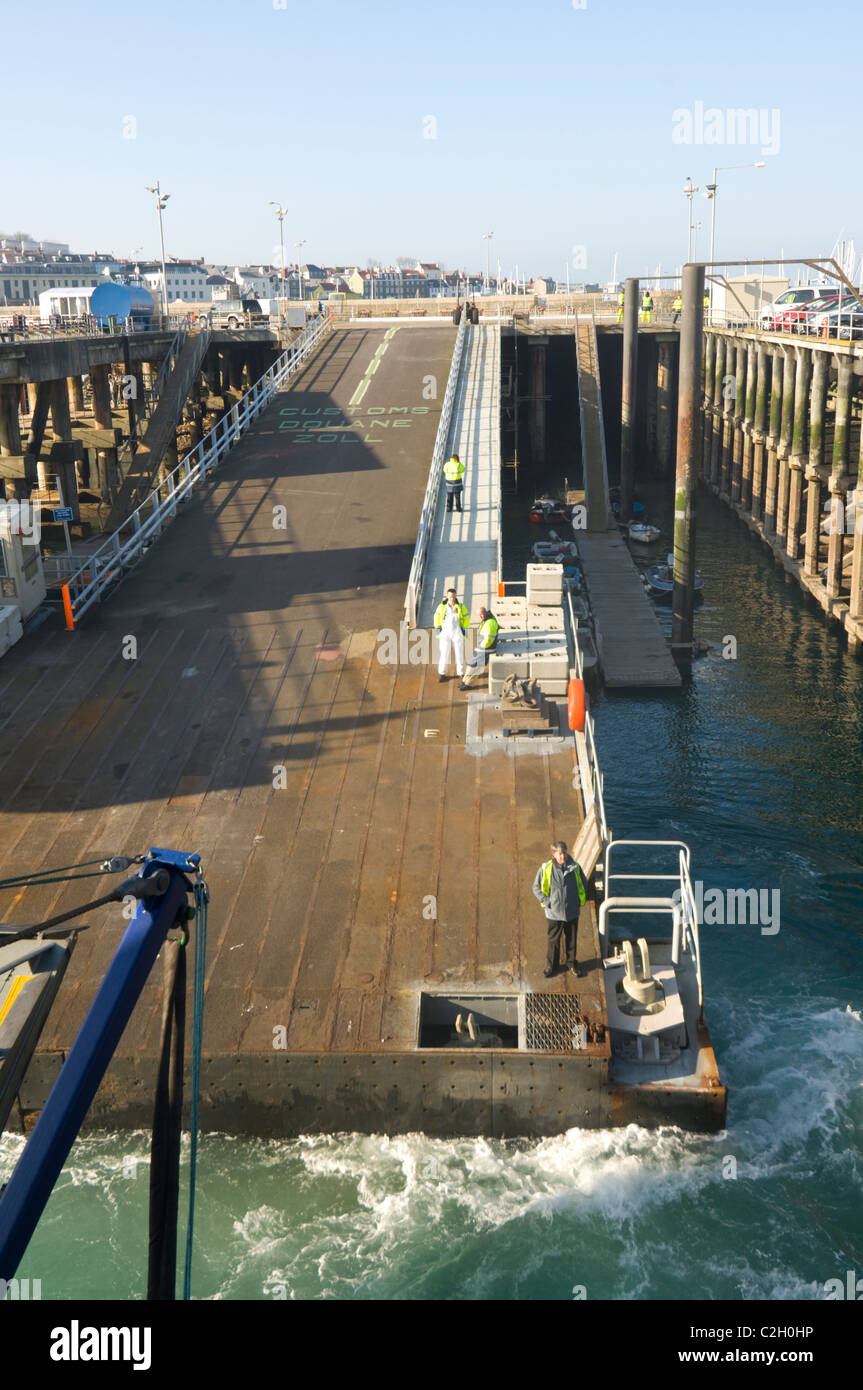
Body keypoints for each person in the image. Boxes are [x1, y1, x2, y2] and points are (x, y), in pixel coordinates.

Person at [532, 841, 587, 977]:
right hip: (554, 913)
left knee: (572, 940)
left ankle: (571, 963)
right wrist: (547, 901)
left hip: (572, 911)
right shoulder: (545, 869)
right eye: (560, 854)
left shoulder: (575, 868)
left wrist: (577, 901)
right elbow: (536, 887)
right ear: (554, 854)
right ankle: (551, 966)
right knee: (553, 941)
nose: (563, 856)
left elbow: (583, 884)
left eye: (564, 853)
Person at [433, 588, 470, 681]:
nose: (452, 599)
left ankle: (461, 673)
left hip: (457, 633)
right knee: (444, 654)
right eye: (450, 597)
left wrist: (465, 633)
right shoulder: (441, 607)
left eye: (453, 597)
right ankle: (442, 674)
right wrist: (438, 633)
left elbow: (466, 620)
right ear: (447, 596)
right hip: (445, 633)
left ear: (455, 596)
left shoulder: (461, 607)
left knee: (459, 654)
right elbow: (436, 619)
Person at [459, 605, 499, 689]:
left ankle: (468, 684)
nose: (480, 617)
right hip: (482, 647)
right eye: (479, 615)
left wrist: (482, 647)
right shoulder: (487, 620)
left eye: (481, 614)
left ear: (485, 612)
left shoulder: (490, 623)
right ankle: (465, 681)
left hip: (486, 649)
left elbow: (489, 639)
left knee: (476, 665)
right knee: (471, 663)